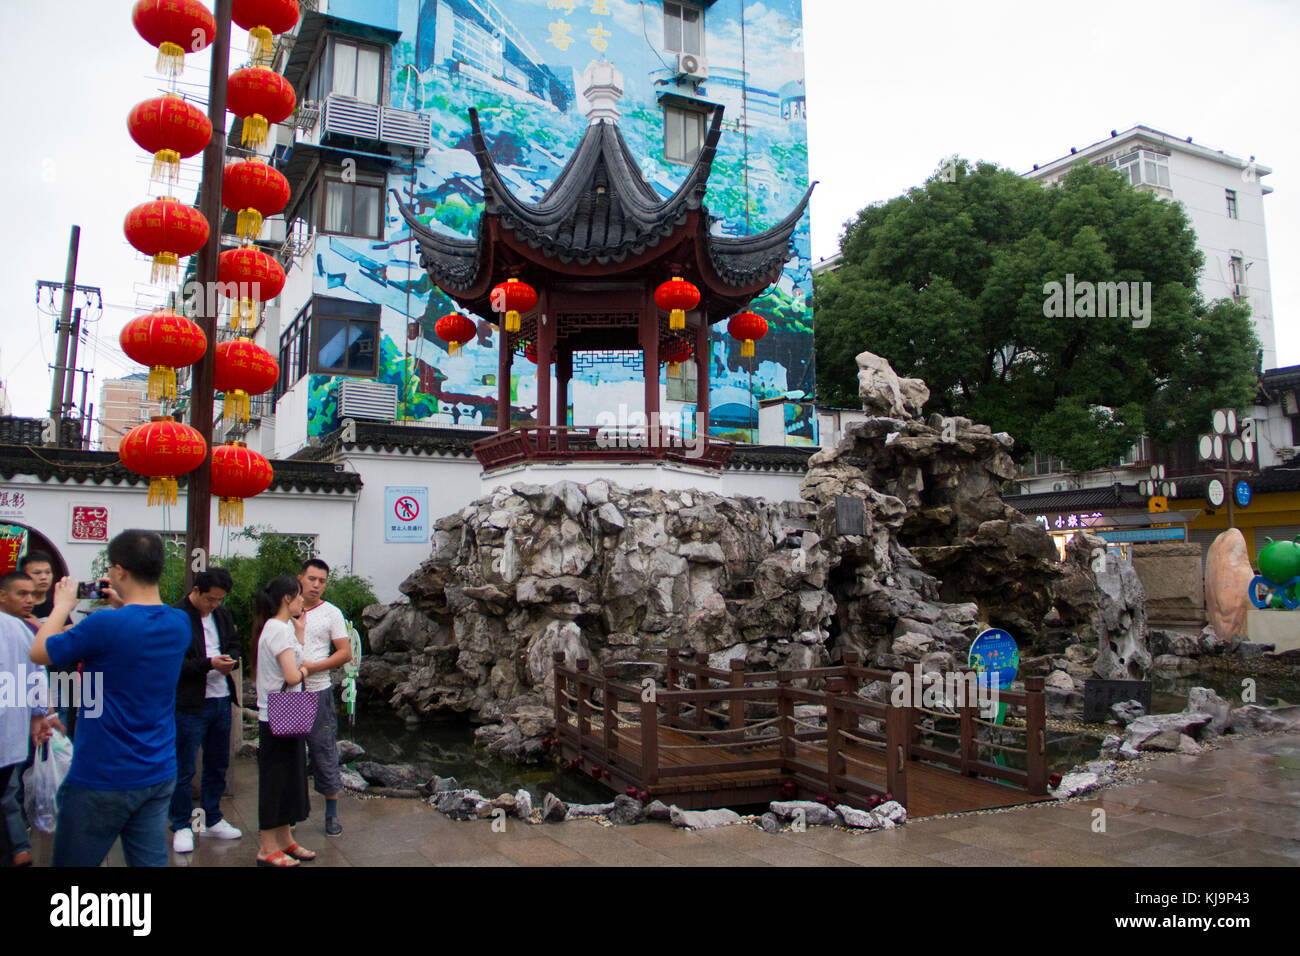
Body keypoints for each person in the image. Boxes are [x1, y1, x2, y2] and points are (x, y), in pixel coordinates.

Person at [30, 530, 191, 868]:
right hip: (158, 769)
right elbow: (137, 626)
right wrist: (121, 602)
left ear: (119, 571)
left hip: (102, 774)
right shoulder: (179, 622)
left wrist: (62, 606)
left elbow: (40, 651)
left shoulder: (103, 623)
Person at [169, 567, 242, 853]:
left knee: (217, 763)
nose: (214, 605)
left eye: (219, 600)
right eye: (210, 599)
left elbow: (235, 644)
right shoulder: (177, 616)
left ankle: (213, 818)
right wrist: (209, 664)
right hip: (189, 702)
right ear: (196, 591)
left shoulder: (222, 615)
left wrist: (230, 660)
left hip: (221, 699)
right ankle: (181, 824)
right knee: (184, 767)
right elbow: (174, 663)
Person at [253, 574, 315, 867]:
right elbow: (292, 674)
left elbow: (294, 660)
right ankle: (267, 846)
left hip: (284, 712)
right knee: (275, 782)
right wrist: (306, 672)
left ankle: (285, 838)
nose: (303, 600)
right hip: (277, 715)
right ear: (286, 599)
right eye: (299, 595)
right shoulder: (276, 629)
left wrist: (300, 634)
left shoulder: (283, 627)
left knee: (290, 778)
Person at [0, 571, 59, 867]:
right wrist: (41, 716)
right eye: (21, 594)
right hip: (11, 738)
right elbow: (37, 676)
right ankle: (18, 848)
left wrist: (41, 716)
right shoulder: (21, 630)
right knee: (7, 794)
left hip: (10, 734)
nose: (29, 600)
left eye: (31, 594)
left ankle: (17, 848)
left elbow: (36, 676)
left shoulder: (22, 629)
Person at [298, 558, 351, 837]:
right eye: (312, 579)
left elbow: (344, 652)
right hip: (290, 692)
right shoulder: (287, 608)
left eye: (321, 581)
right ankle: (291, 812)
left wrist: (313, 668)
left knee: (324, 750)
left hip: (318, 690)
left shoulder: (331, 612)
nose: (316, 585)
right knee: (291, 752)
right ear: (301, 578)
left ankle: (331, 814)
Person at [18, 551, 54, 620]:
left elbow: (68, 629)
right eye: (37, 573)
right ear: (24, 575)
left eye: (48, 572)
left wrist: (38, 626)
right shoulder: (15, 605)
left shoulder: (56, 604)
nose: (43, 577)